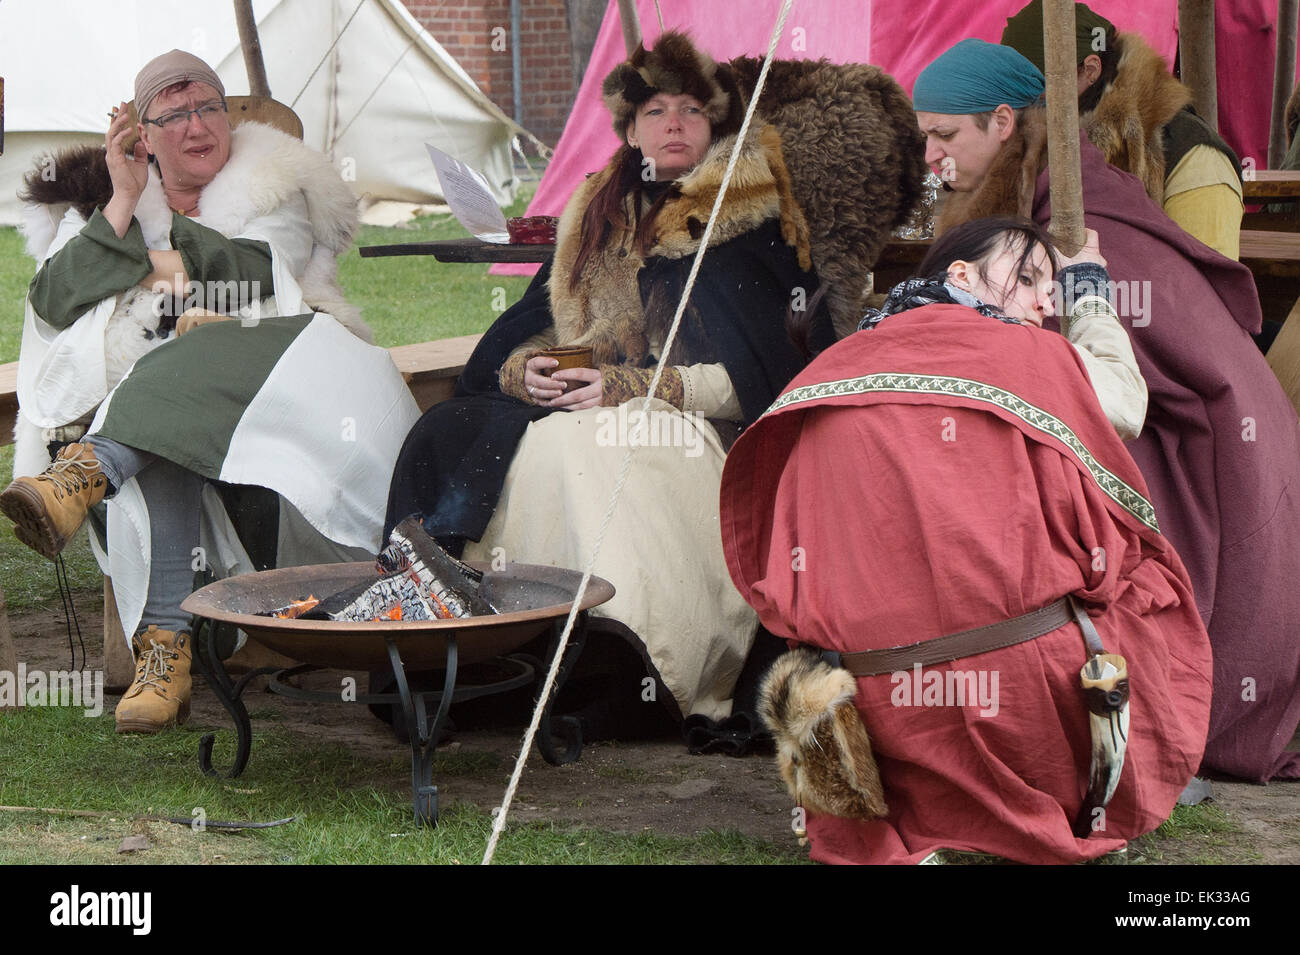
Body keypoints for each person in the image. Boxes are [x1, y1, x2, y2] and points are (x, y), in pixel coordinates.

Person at [720, 216, 1213, 864]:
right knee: (1140, 581)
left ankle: (926, 810)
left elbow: (774, 565)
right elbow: (1124, 401)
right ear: (960, 277)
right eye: (1029, 278)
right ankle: (1101, 778)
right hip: (1028, 708)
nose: (1046, 300)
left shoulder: (832, 371)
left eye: (1055, 287)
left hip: (877, 716)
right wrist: (1089, 289)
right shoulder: (1030, 358)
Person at [385, 31, 833, 730]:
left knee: (585, 448)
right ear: (630, 130)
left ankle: (629, 665)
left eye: (690, 109)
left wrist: (638, 389)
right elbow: (542, 325)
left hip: (702, 436)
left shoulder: (746, 222)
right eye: (655, 112)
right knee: (458, 429)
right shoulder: (597, 217)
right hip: (577, 414)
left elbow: (770, 376)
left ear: (717, 123)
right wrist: (524, 368)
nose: (675, 124)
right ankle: (481, 645)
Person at [912, 38, 1300, 783]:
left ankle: (1138, 699)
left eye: (943, 133)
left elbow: (1129, 386)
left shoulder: (1079, 215)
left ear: (1000, 123)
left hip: (1204, 441)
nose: (930, 153)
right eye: (924, 134)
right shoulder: (1042, 196)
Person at [1, 50, 418, 734]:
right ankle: (166, 648)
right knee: (171, 395)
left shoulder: (271, 185)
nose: (198, 127)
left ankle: (86, 482)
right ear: (144, 136)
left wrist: (147, 260)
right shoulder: (124, 194)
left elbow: (255, 272)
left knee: (175, 370)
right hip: (181, 409)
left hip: (290, 382)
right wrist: (130, 199)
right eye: (175, 115)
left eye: (208, 109)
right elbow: (52, 297)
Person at [1000, 1, 1243, 260]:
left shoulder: (1195, 156)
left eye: (1032, 83)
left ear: (1090, 70)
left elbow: (1206, 278)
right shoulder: (1026, 135)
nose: (1018, 101)